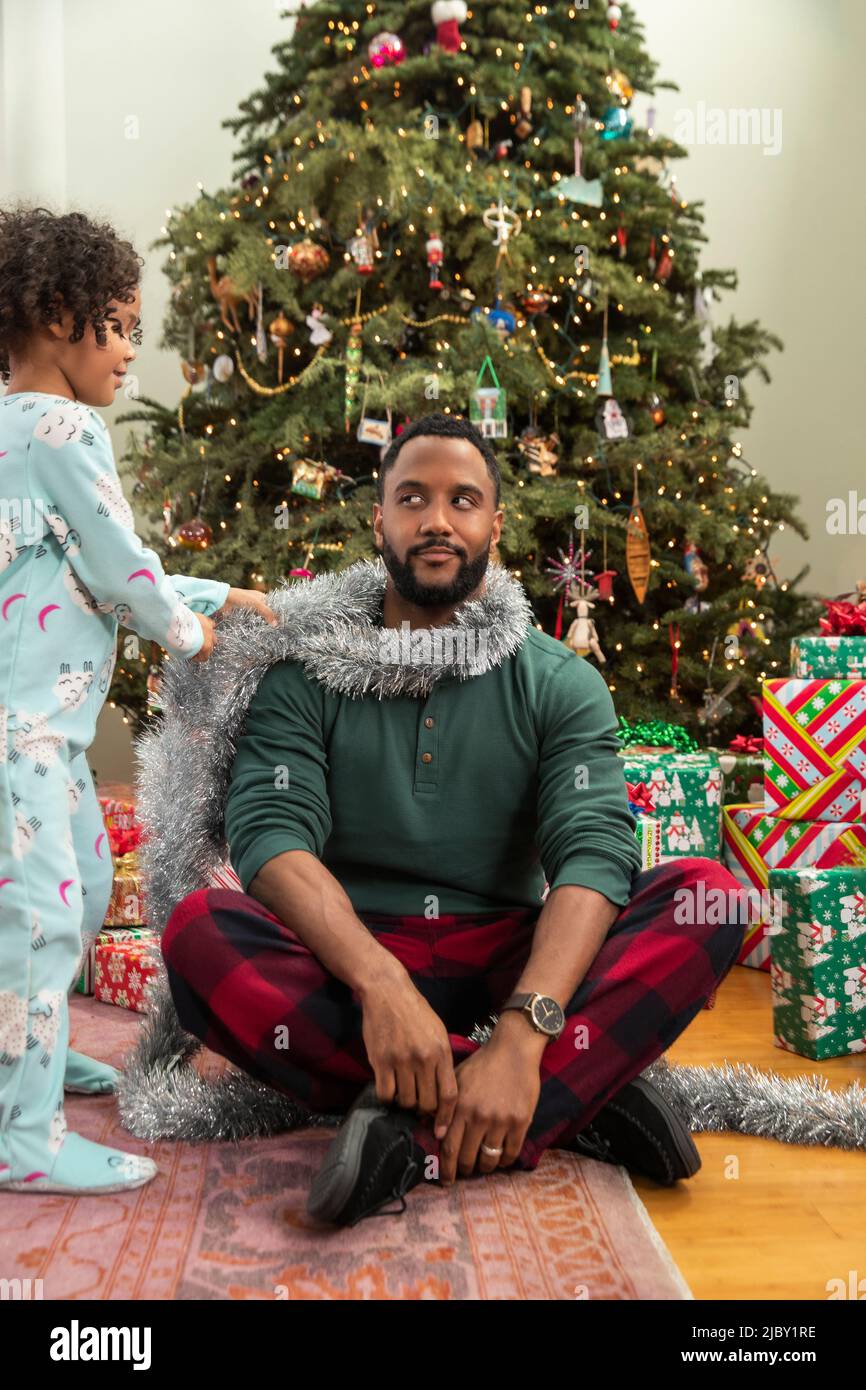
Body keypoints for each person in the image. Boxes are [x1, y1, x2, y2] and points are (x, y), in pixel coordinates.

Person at [161, 411, 746, 1227]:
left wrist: (524, 1032)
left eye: (462, 500)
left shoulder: (559, 680)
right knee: (198, 933)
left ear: (494, 525)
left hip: (510, 959)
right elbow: (270, 836)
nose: (437, 520)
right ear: (379, 519)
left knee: (709, 895)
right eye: (413, 498)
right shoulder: (301, 674)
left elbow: (593, 851)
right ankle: (578, 1099)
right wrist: (381, 983)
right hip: (351, 969)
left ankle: (419, 1130)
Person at [0, 205, 276, 1195]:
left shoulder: (12, 430)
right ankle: (20, 1139)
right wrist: (199, 631)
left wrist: (214, 595)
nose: (128, 353)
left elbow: (92, 565)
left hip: (47, 747)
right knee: (37, 921)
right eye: (118, 326)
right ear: (57, 315)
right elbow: (122, 570)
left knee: (69, 881)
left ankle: (17, 1068)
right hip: (19, 743)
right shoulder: (65, 427)